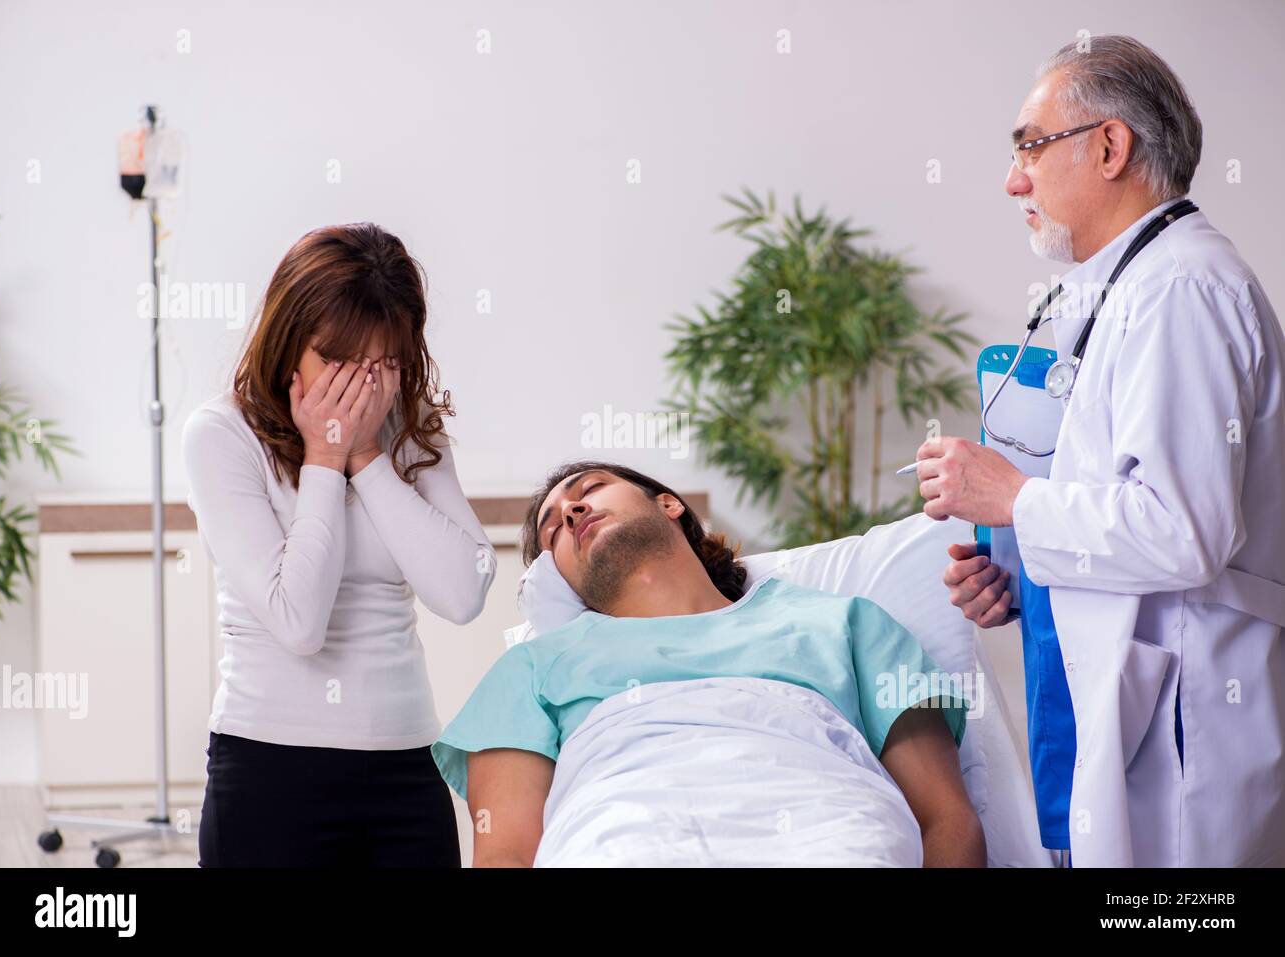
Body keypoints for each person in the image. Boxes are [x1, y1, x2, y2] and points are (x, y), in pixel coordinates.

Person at [915, 36, 1285, 866]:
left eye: (1028, 148)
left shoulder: (1181, 289)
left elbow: (1183, 530)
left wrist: (1014, 499)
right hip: (1142, 705)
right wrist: (1022, 577)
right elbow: (1124, 510)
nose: (1014, 180)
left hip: (1193, 727)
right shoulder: (1130, 289)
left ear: (1110, 147)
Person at [430, 461, 985, 867]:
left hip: (832, 832)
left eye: (590, 490)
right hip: (624, 842)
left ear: (669, 503)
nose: (571, 512)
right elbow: (505, 858)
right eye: (553, 531)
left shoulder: (845, 623)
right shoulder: (532, 669)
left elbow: (947, 820)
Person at [182, 223, 496, 867]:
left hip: (404, 765)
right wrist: (325, 458)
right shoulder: (221, 435)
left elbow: (464, 592)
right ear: (286, 341)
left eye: (381, 364)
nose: (359, 389)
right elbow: (297, 623)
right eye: (337, 361)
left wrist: (367, 458)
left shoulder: (408, 430)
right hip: (269, 767)